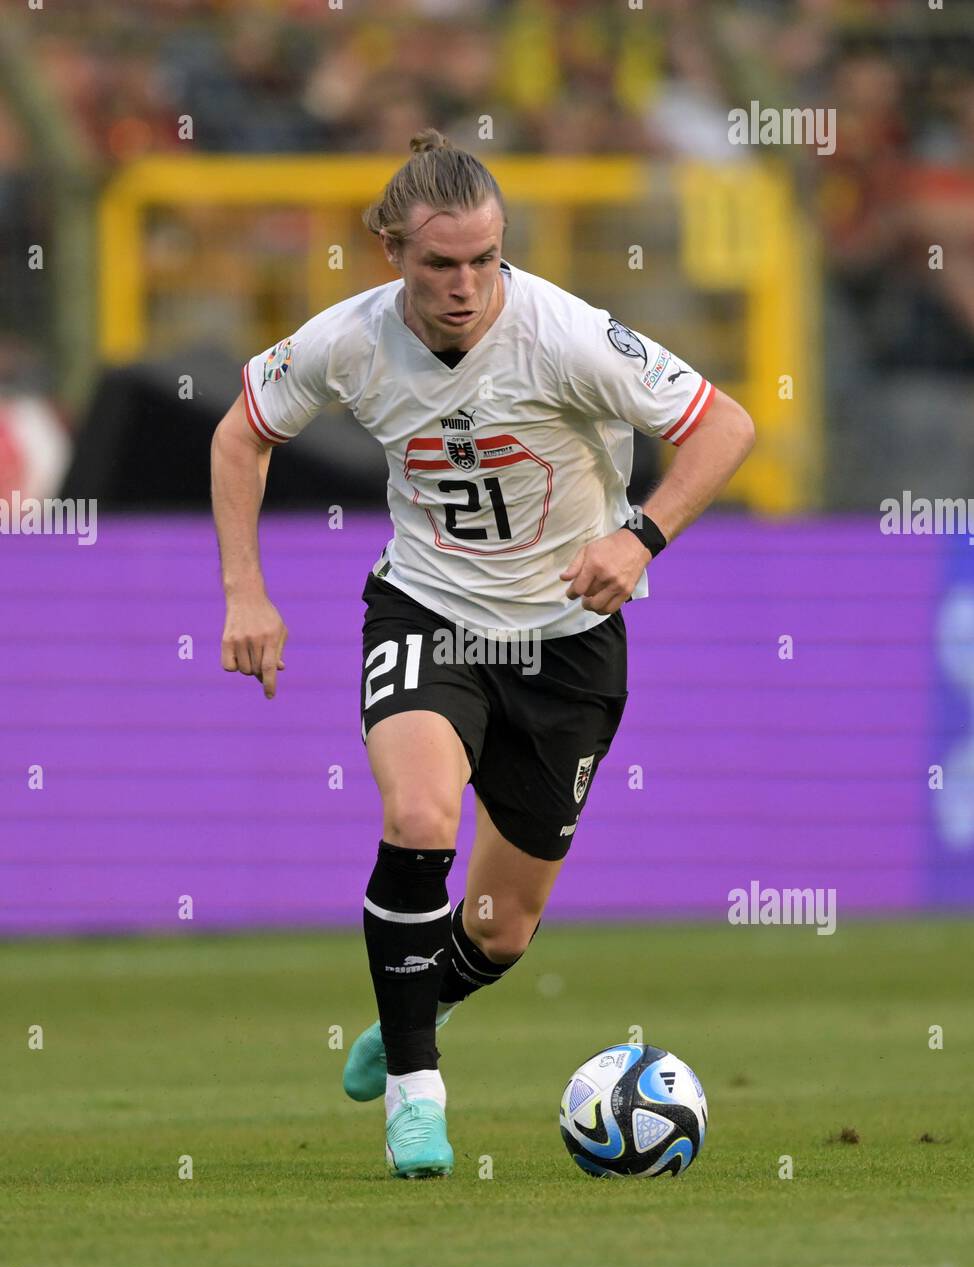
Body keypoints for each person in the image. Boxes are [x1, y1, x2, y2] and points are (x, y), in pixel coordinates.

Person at [211, 129, 754, 1178]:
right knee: (418, 815)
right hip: (428, 613)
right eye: (438, 264)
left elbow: (723, 425)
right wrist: (245, 590)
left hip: (567, 643)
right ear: (390, 254)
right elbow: (242, 431)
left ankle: (415, 1006)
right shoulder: (349, 340)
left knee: (502, 928)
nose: (464, 286)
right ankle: (416, 1091)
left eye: (483, 260)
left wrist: (636, 536)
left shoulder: (567, 335)